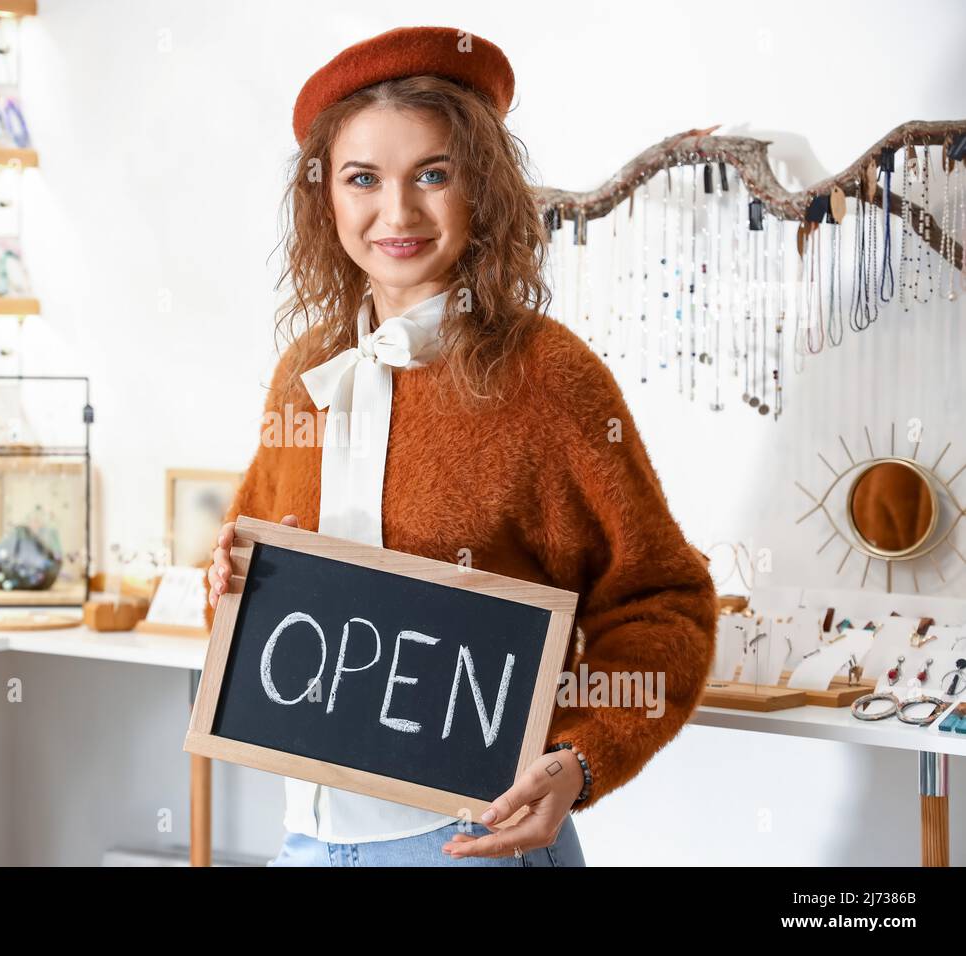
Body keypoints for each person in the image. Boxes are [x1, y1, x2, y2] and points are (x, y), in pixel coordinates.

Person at [204, 25, 717, 867]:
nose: (397, 213)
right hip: (306, 835)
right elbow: (250, 590)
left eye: (432, 175)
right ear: (324, 195)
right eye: (362, 178)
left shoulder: (549, 375)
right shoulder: (305, 374)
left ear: (482, 188)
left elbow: (665, 603)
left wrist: (581, 760)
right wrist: (228, 582)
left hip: (470, 844)